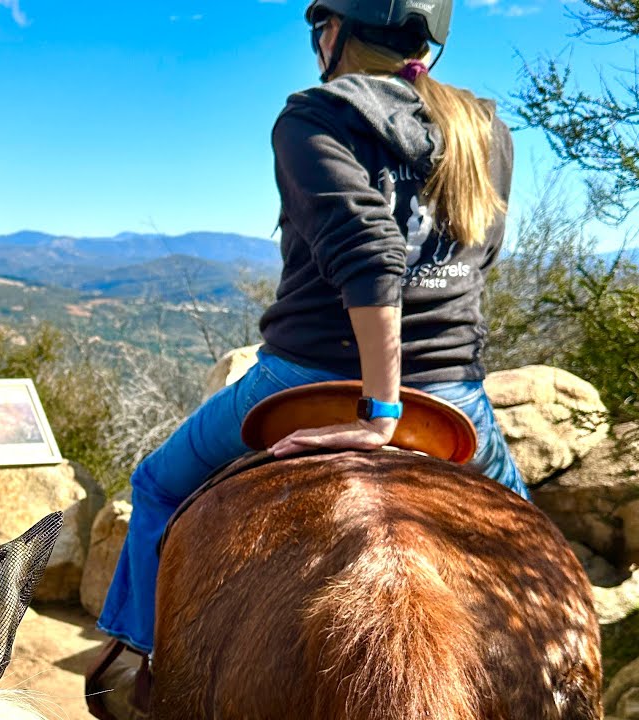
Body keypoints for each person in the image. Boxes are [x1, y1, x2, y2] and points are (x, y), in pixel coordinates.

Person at [87, 0, 527, 715]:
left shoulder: (316, 116)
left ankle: (144, 659)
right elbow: (482, 261)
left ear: (337, 32)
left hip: (312, 376)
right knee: (539, 549)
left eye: (317, 25)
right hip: (454, 394)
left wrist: (380, 411)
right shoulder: (488, 130)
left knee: (158, 485)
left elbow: (372, 257)